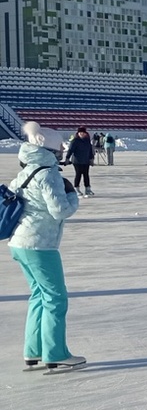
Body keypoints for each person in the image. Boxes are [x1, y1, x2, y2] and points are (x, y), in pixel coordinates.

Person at [13, 122, 84, 372]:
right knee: (55, 299)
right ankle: (55, 353)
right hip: (39, 244)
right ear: (52, 151)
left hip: (20, 243)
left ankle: (33, 350)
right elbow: (60, 210)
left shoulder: (25, 171)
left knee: (38, 296)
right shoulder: (48, 174)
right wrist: (72, 193)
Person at [64, 126, 95, 197]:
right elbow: (70, 150)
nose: (82, 134)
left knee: (86, 175)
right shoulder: (75, 141)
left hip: (86, 160)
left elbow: (90, 150)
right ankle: (76, 188)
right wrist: (67, 158)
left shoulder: (87, 140)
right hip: (77, 161)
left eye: (83, 133)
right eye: (80, 133)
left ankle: (87, 189)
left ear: (85, 133)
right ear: (78, 133)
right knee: (78, 174)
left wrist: (91, 159)